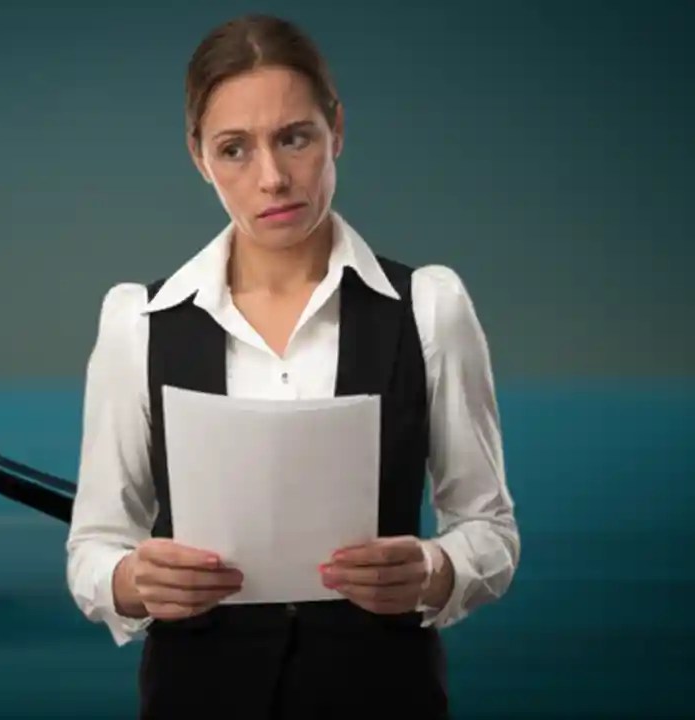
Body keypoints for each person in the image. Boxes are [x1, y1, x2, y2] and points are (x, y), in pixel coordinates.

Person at [64, 13, 520, 720]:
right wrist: (131, 581)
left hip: (386, 698)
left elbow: (490, 529)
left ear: (336, 129)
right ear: (199, 157)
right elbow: (94, 547)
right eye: (235, 149)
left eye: (295, 138)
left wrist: (435, 570)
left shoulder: (430, 306)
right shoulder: (137, 322)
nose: (272, 178)